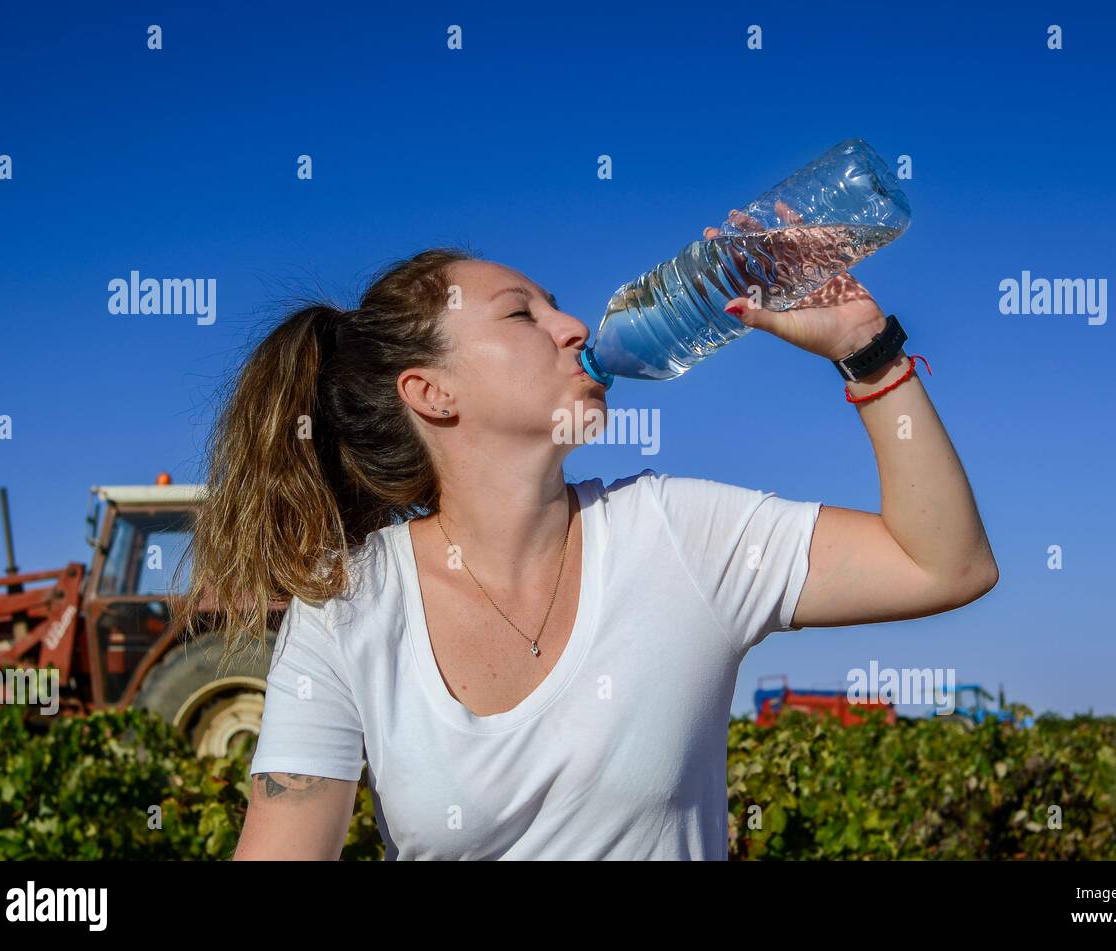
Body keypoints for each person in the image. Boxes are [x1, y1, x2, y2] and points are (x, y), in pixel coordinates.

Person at [186, 229, 996, 861]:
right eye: (521, 314)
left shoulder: (678, 534)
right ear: (431, 393)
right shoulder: (349, 610)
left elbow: (944, 563)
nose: (574, 327)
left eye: (556, 306)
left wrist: (870, 352)